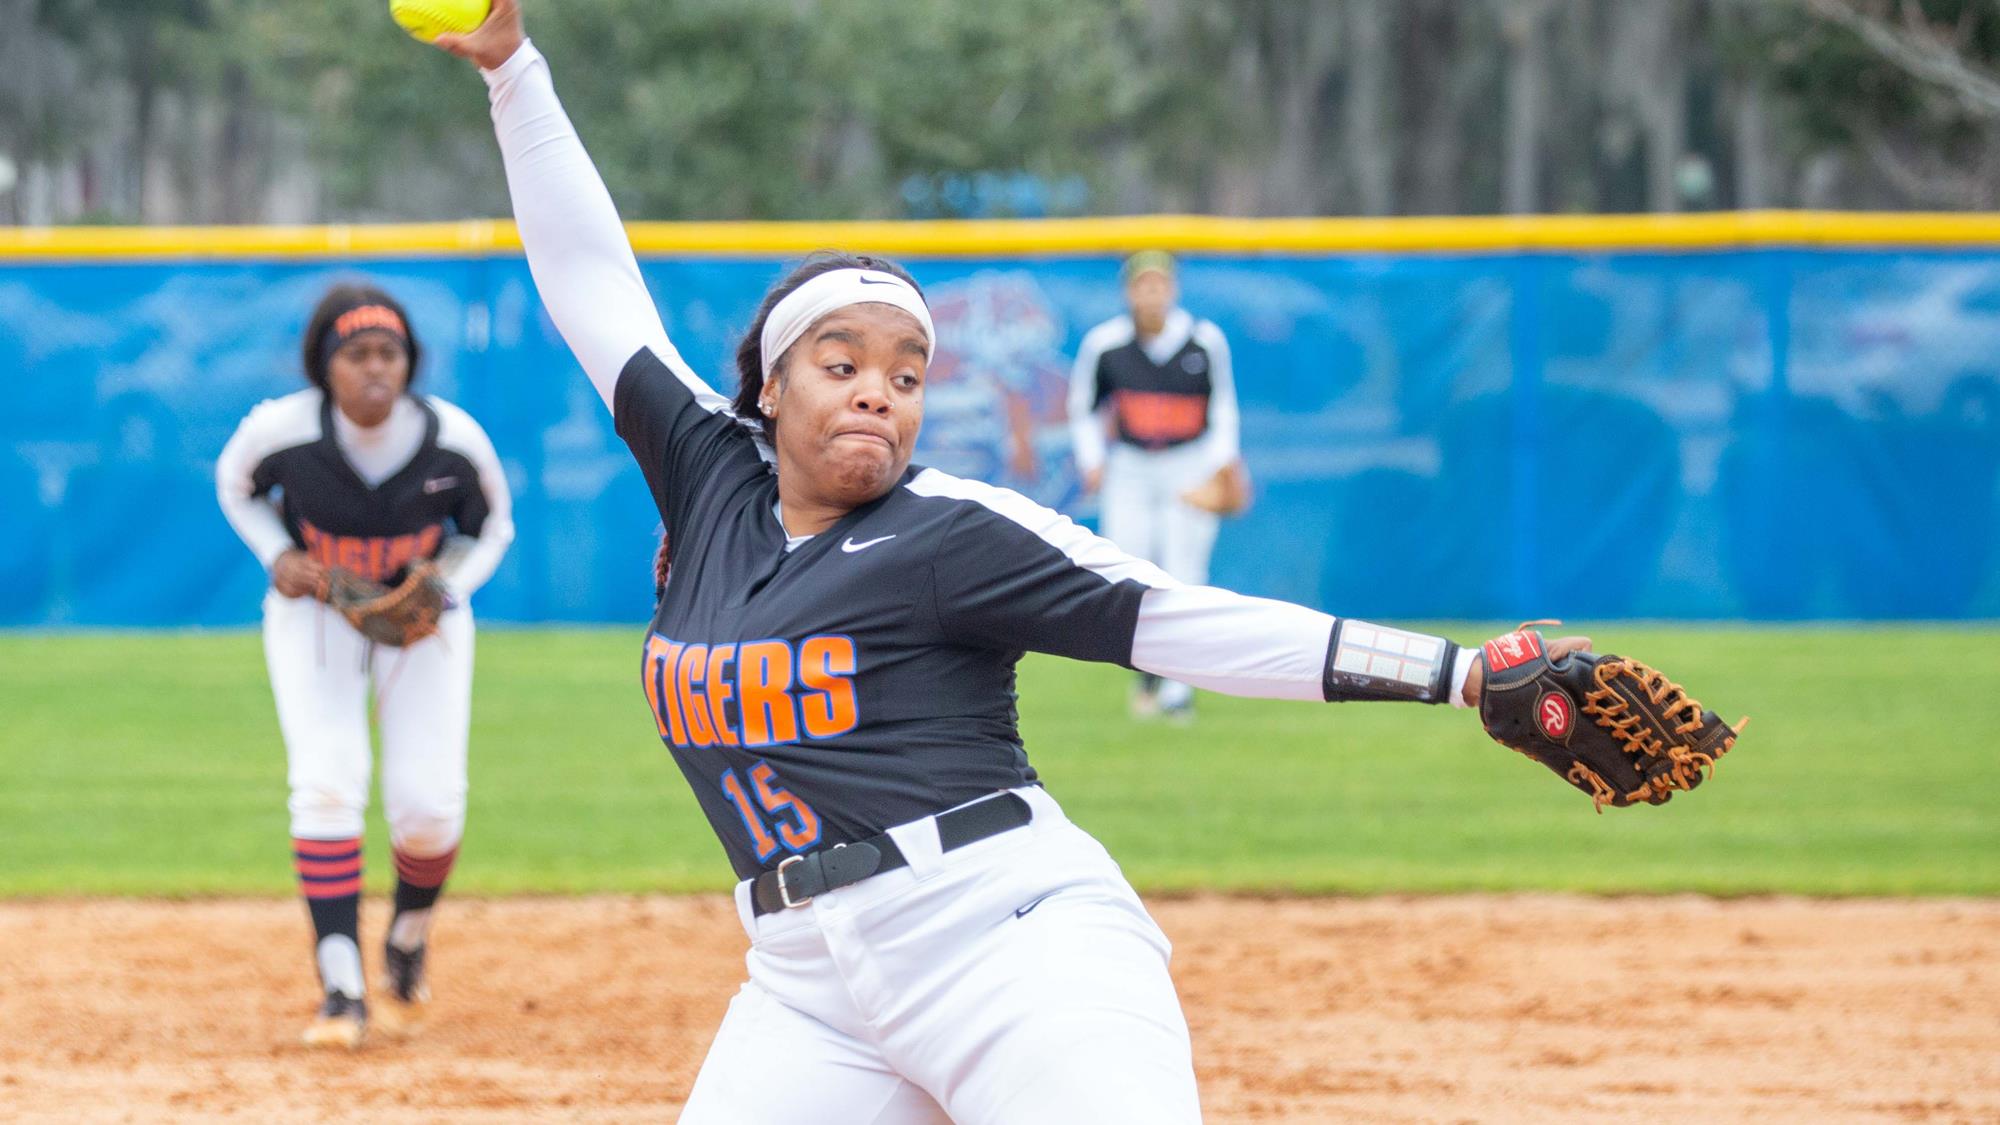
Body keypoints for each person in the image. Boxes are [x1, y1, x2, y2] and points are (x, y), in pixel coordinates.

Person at [434, 6, 1585, 1120]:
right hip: (805, 989)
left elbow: (1179, 621)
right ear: (770, 389)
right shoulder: (707, 477)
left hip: (1008, 946)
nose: (877, 391)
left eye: (906, 375)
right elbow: (590, 283)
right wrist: (512, 70)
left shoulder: (949, 531)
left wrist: (1459, 675)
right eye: (841, 364)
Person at [215, 283, 515, 1048]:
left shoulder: (452, 438)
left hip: (421, 625)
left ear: (411, 362)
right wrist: (277, 554)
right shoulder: (281, 431)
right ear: (326, 365)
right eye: (357, 354)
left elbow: (490, 528)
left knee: (429, 806)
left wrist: (447, 587)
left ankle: (407, 935)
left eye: (391, 352)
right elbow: (236, 487)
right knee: (326, 782)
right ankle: (342, 986)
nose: (376, 367)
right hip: (318, 612)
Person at [1069, 251, 1243, 721]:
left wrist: (1222, 465)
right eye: (1142, 285)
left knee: (1186, 574)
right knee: (1130, 572)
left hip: (1188, 462)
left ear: (1173, 289)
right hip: (1130, 465)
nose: (1151, 294)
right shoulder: (1105, 344)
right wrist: (1092, 460)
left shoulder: (1203, 340)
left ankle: (1177, 690)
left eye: (1159, 284)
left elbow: (1223, 409)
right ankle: (1149, 674)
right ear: (1129, 292)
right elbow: (1083, 408)